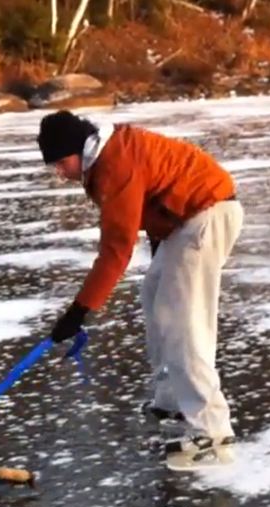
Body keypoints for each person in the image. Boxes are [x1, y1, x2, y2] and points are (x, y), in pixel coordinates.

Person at [35, 110, 244, 470]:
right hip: (185, 221)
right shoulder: (109, 153)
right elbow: (155, 194)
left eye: (60, 162)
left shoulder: (114, 163)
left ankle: (212, 433)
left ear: (78, 149)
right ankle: (172, 399)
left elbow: (117, 247)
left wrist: (80, 310)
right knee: (155, 298)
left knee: (184, 326)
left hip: (207, 216)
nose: (59, 172)